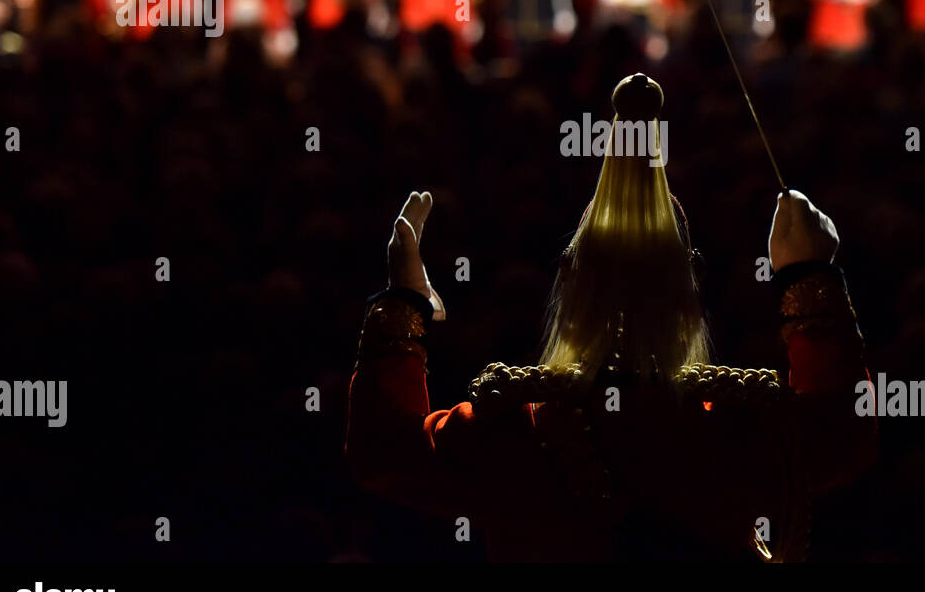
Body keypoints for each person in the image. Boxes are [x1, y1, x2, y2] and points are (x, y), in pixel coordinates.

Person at [345, 73, 877, 561]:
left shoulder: (506, 430)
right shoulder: (737, 430)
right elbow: (843, 433)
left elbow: (385, 454)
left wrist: (404, 303)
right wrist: (808, 276)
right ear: (688, 292)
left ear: (569, 281)